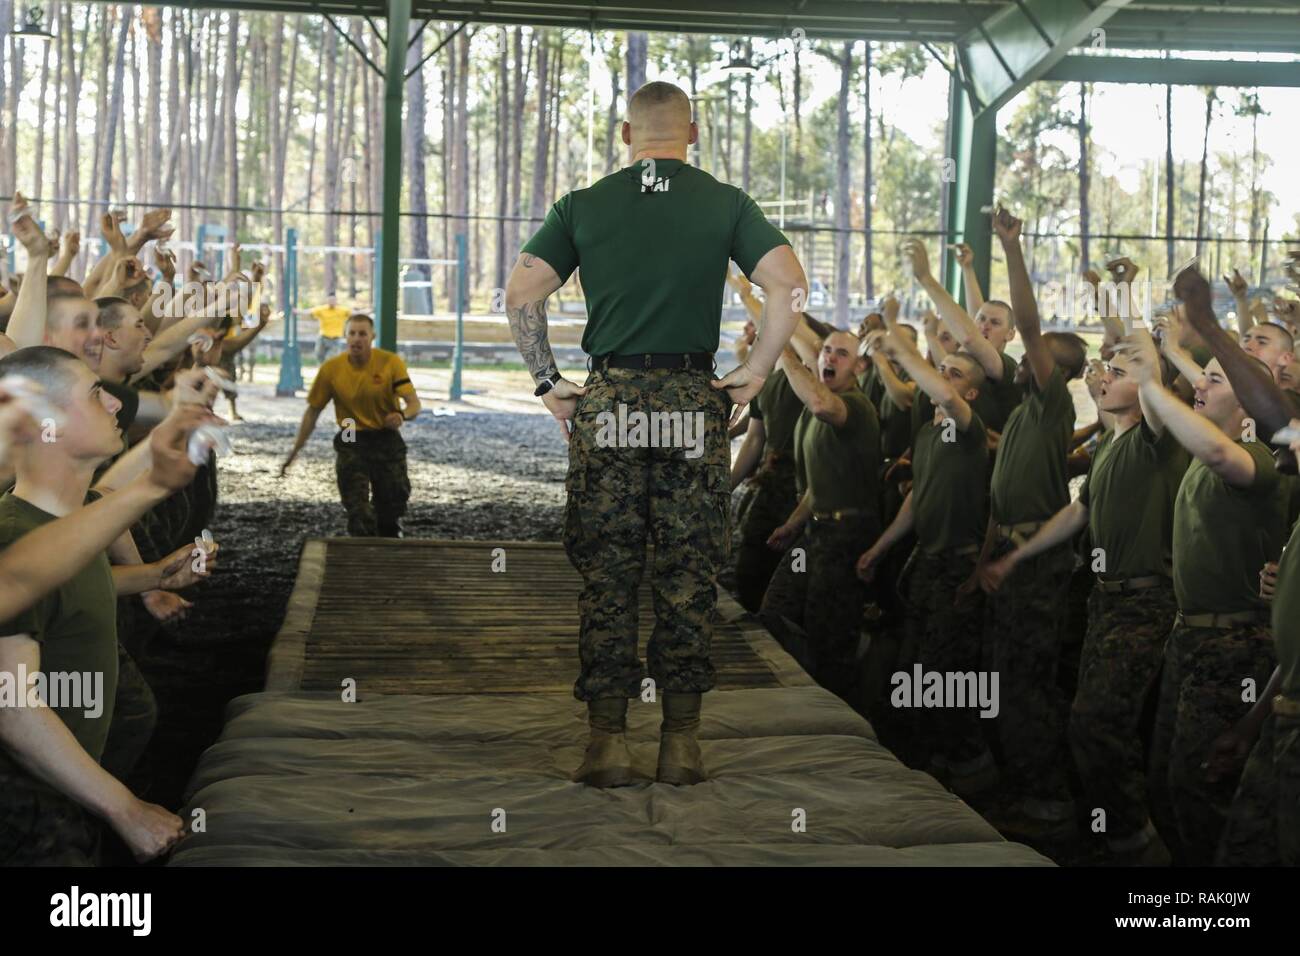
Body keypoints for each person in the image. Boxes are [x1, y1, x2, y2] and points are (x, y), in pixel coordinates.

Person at [505, 80, 805, 788]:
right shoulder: (725, 202)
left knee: (608, 574)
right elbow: (789, 287)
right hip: (691, 402)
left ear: (624, 135)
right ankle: (681, 744)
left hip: (607, 402)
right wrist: (757, 370)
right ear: (692, 134)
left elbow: (521, 295)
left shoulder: (582, 206)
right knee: (687, 572)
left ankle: (607, 743)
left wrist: (550, 383)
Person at [0, 347, 216, 865]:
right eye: (94, 395)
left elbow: (67, 586)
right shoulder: (12, 534)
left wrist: (154, 573)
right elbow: (11, 705)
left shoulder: (65, 518)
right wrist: (125, 807)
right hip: (29, 809)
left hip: (65, 785)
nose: (116, 406)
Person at [984, 338, 1189, 862]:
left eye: (1119, 373)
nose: (1105, 377)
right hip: (1106, 601)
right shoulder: (1110, 447)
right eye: (1105, 370)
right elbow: (1078, 513)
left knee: (1099, 722)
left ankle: (1139, 840)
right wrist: (1016, 557)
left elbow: (1153, 382)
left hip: (1145, 603)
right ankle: (1113, 832)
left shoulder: (1155, 438)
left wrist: (1142, 343)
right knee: (1089, 718)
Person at [1109, 305, 1287, 866]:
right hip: (1189, 640)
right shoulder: (1200, 446)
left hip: (1232, 650)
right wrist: (1138, 323)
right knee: (1168, 780)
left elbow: (1216, 450)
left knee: (1202, 789)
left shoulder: (1258, 458)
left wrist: (1149, 379)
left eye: (1213, 380)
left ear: (1248, 406)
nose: (1198, 385)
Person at [969, 208, 1088, 835]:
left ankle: (1049, 800)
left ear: (1053, 371)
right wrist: (985, 556)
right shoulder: (1020, 414)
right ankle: (1019, 788)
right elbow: (1001, 494)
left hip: (1037, 561)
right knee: (1002, 678)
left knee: (1026, 683)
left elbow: (1032, 326)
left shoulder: (1049, 401)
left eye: (1043, 356)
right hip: (1007, 553)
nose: (1029, 356)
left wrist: (1012, 248)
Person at [856, 330, 996, 795]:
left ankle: (969, 769)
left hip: (959, 565)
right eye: (942, 369)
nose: (942, 378)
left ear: (970, 393)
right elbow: (918, 500)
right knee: (915, 665)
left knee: (946, 673)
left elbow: (940, 395)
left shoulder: (966, 429)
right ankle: (927, 764)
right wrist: (879, 547)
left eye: (953, 374)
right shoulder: (927, 432)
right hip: (927, 563)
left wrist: (903, 352)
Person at [759, 328, 881, 704]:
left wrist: (783, 351)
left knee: (828, 631)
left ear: (859, 367)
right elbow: (818, 486)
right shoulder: (823, 408)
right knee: (776, 608)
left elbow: (820, 404)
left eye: (841, 354)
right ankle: (804, 692)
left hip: (844, 539)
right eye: (827, 350)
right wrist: (793, 523)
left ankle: (838, 708)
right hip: (813, 535)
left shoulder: (854, 406)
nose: (830, 357)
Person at [281, 314, 421, 537]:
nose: (357, 339)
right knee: (356, 504)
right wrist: (295, 450)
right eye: (352, 333)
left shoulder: (390, 363)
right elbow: (313, 411)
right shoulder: (331, 369)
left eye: (362, 334)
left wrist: (402, 415)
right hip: (350, 435)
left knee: (393, 499)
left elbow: (414, 403)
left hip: (385, 434)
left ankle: (389, 530)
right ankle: (362, 544)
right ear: (345, 337)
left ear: (372, 337)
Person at [310, 294, 350, 365]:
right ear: (327, 301)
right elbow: (309, 312)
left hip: (335, 339)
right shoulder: (321, 309)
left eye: (333, 300)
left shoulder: (342, 310)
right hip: (323, 337)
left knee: (331, 358)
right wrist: (296, 311)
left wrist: (368, 311)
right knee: (319, 355)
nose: (332, 302)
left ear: (336, 301)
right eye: (330, 300)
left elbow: (355, 313)